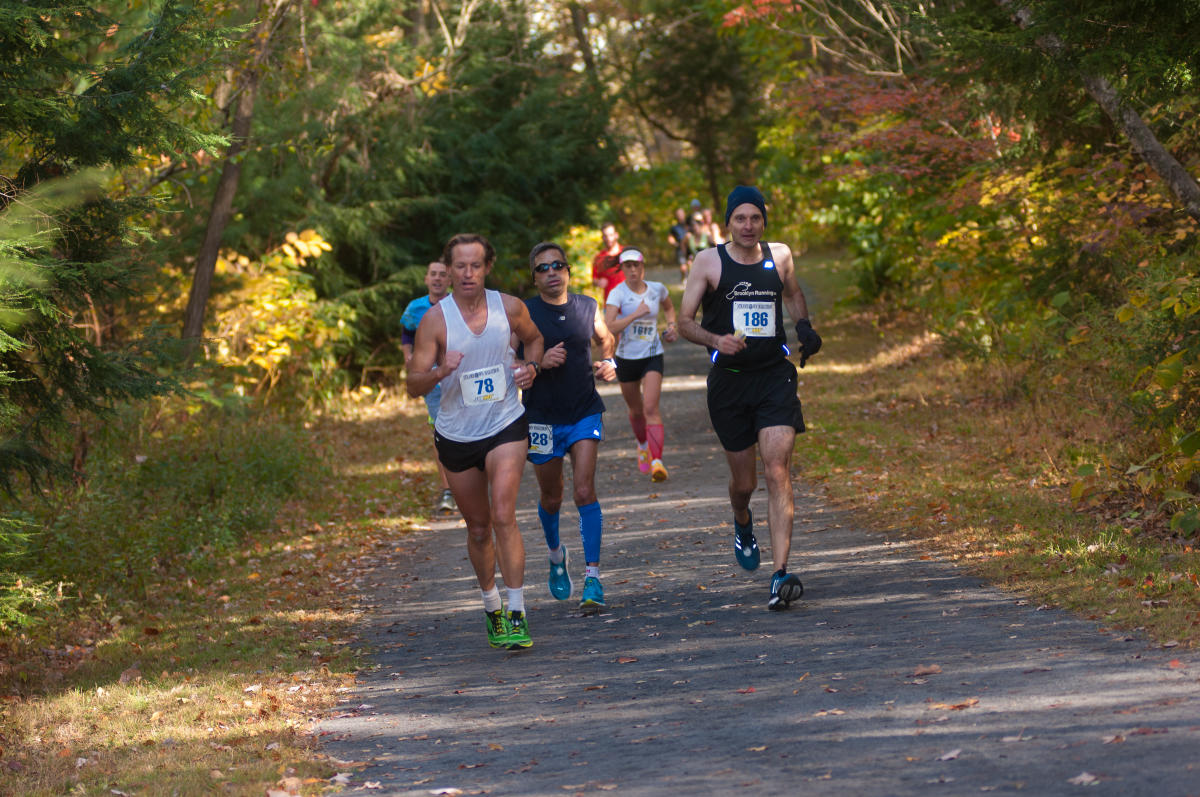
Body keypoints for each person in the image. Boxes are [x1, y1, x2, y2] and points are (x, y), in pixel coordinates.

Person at [676, 186, 823, 611]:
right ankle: (742, 521)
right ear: (728, 222)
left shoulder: (780, 255)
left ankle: (780, 576)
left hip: (774, 377)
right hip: (729, 382)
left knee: (777, 469)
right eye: (739, 218)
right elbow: (685, 322)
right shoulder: (708, 261)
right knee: (745, 483)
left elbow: (792, 292)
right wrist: (715, 338)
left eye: (754, 218)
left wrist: (805, 326)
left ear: (764, 220)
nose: (747, 225)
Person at [406, 233, 545, 649]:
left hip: (505, 423)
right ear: (448, 271)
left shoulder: (511, 308)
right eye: (460, 267)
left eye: (476, 265)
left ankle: (517, 611)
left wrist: (531, 366)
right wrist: (438, 371)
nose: (468, 274)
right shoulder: (435, 320)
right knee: (480, 528)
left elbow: (535, 339)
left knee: (504, 514)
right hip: (456, 434)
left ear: (487, 267)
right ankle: (492, 606)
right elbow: (413, 384)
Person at [519, 242, 619, 613]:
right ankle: (556, 555)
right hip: (541, 416)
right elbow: (510, 359)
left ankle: (593, 578)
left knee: (583, 490)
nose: (551, 272)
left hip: (583, 411)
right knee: (552, 497)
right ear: (534, 276)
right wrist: (538, 361)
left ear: (568, 271)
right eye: (543, 268)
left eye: (558, 265)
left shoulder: (587, 306)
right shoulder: (524, 313)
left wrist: (610, 362)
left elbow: (605, 339)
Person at [604, 247, 678, 483]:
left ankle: (657, 461)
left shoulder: (657, 289)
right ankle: (643, 444)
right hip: (626, 358)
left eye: (636, 265)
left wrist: (672, 326)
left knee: (650, 409)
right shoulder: (617, 294)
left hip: (652, 355)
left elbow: (668, 307)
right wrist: (635, 314)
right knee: (636, 411)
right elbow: (610, 327)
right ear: (622, 269)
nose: (633, 270)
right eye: (628, 266)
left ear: (643, 266)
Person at [401, 260, 456, 514]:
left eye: (442, 275)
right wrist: (409, 359)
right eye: (433, 274)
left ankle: (470, 482)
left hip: (458, 375)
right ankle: (448, 491)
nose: (437, 279)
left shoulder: (457, 304)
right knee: (440, 432)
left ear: (450, 280)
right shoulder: (416, 308)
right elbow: (406, 334)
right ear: (426, 279)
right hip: (431, 379)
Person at [591, 222, 624, 300]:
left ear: (616, 235)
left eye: (611, 235)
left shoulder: (627, 253)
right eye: (606, 236)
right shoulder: (599, 258)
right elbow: (594, 280)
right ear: (602, 238)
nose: (609, 238)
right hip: (611, 305)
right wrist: (598, 282)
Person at [667, 208, 689, 283]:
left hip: (690, 248)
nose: (680, 216)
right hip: (680, 248)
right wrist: (674, 243)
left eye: (682, 213)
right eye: (679, 214)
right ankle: (684, 277)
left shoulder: (689, 225)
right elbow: (670, 237)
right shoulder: (674, 227)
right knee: (683, 265)